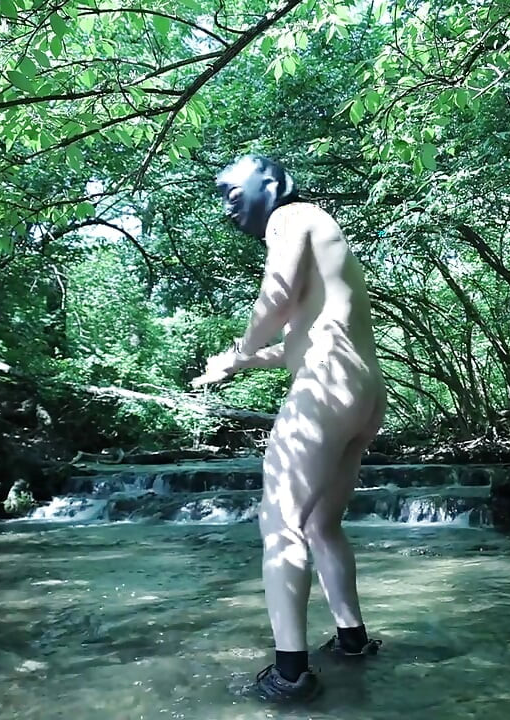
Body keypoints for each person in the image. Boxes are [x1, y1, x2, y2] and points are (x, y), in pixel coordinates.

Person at [190, 155, 386, 703]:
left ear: (271, 184)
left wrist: (243, 345)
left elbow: (273, 297)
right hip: (362, 391)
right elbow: (300, 343)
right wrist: (237, 362)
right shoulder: (324, 238)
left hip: (326, 387)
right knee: (322, 525)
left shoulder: (291, 216)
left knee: (279, 523)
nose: (227, 206)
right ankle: (351, 639)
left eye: (233, 192)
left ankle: (290, 673)